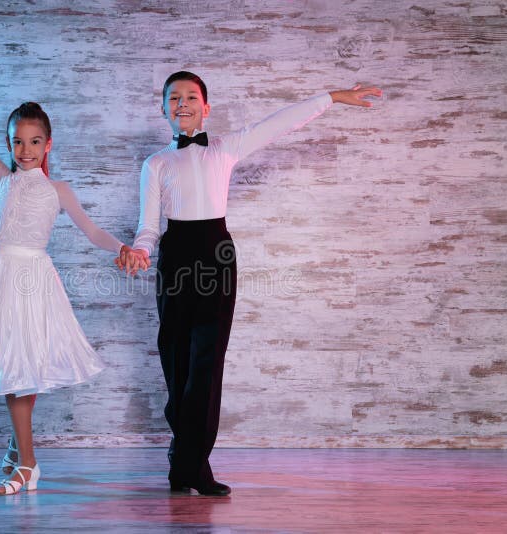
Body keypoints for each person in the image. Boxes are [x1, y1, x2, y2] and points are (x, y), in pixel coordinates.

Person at [117, 71, 382, 496]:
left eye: (190, 97)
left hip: (217, 256)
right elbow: (148, 227)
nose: (182, 103)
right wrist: (141, 250)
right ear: (163, 108)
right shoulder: (156, 164)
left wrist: (331, 96)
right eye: (173, 98)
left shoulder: (224, 148)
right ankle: (183, 457)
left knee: (208, 361)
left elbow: (279, 122)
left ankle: (191, 465)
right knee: (176, 361)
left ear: (206, 107)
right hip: (177, 258)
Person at [0, 44, 131, 496]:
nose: (25, 150)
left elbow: (92, 231)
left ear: (49, 144)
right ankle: (20, 453)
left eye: (35, 141)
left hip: (33, 282)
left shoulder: (57, 189)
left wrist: (124, 248)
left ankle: (28, 464)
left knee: (22, 370)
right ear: (9, 144)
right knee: (13, 368)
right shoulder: (0, 178)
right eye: (18, 141)